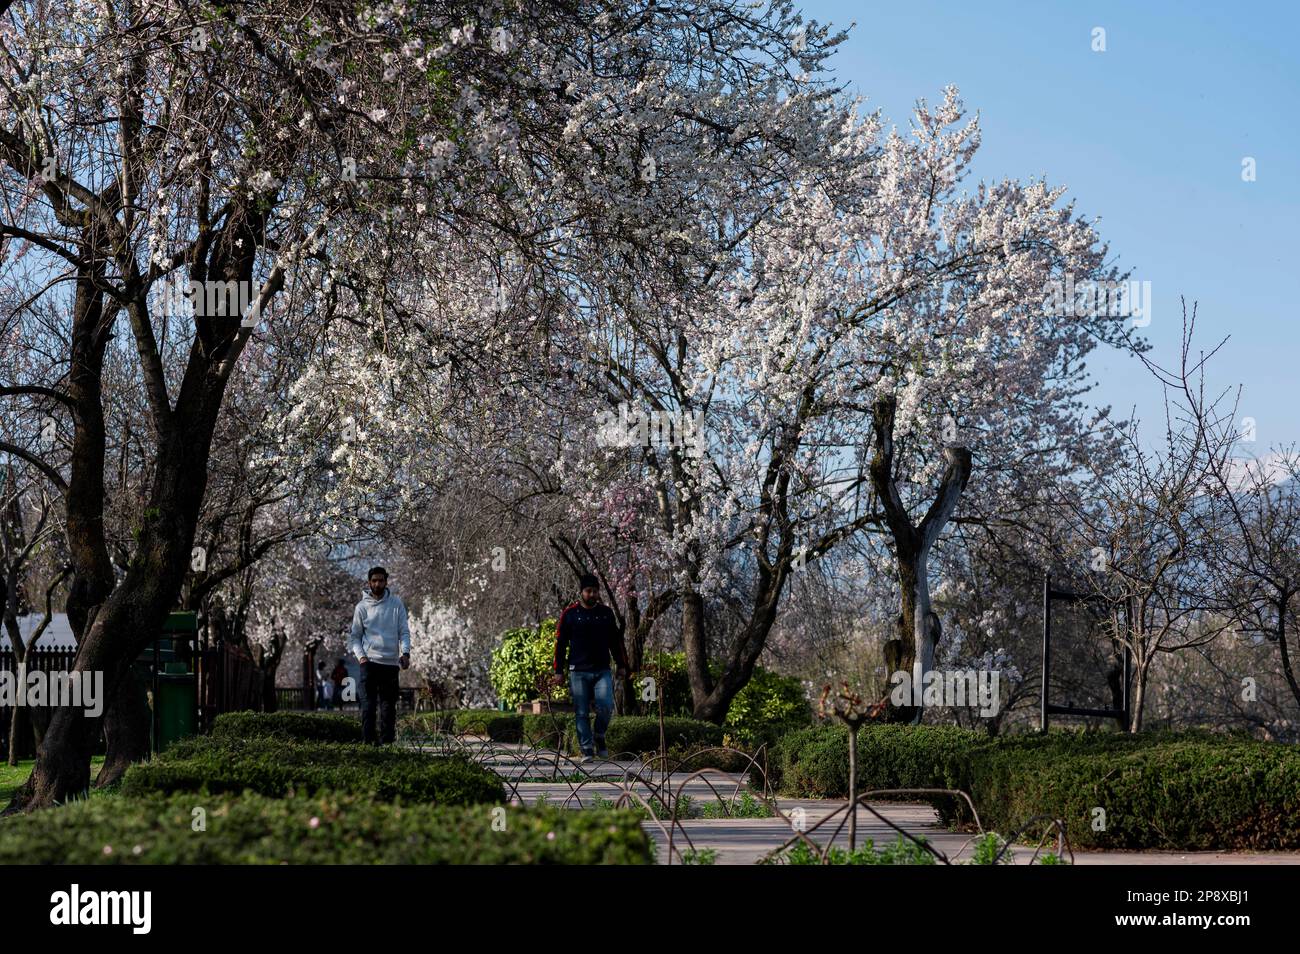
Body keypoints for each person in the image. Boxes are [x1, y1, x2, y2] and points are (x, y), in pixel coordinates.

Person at [552, 573, 629, 763]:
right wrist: (558, 671)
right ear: (581, 592)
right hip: (578, 671)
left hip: (602, 669)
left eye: (595, 591)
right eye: (588, 591)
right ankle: (587, 749)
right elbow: (560, 643)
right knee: (581, 712)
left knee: (606, 707)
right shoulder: (570, 614)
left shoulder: (606, 613)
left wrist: (622, 665)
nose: (592, 594)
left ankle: (599, 736)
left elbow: (615, 641)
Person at [348, 566, 411, 744]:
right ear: (369, 583)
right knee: (368, 707)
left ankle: (387, 745)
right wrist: (362, 658)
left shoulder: (396, 604)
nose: (377, 583)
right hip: (369, 663)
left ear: (386, 582)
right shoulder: (361, 607)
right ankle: (368, 745)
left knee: (388, 708)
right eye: (374, 580)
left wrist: (405, 653)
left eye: (381, 580)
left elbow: (404, 632)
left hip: (390, 664)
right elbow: (355, 637)